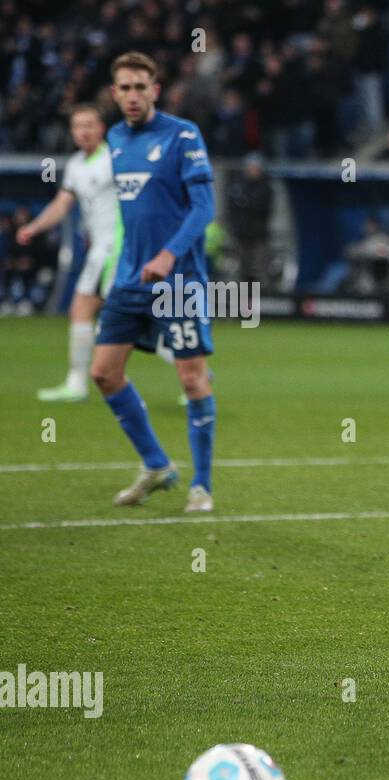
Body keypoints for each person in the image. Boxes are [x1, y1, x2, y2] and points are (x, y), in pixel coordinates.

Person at [90, 52, 218, 514]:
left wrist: (168, 254)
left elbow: (204, 207)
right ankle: (156, 465)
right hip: (130, 280)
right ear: (114, 92)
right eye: (123, 87)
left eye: (140, 87)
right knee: (103, 373)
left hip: (178, 281)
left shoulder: (183, 135)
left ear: (155, 90)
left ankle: (201, 485)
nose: (131, 95)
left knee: (191, 377)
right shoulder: (115, 139)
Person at [16, 105, 117, 401]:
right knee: (131, 316)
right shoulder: (75, 165)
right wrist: (34, 227)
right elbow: (62, 205)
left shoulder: (114, 160)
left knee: (84, 309)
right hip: (100, 248)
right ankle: (191, 367)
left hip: (114, 248)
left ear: (101, 128)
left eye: (89, 124)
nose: (83, 131)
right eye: (77, 126)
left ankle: (77, 383)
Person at [225, 152, 272, 285]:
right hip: (240, 232)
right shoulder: (238, 184)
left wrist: (245, 201)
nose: (252, 170)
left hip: (258, 234)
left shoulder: (266, 186)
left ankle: (264, 297)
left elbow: (260, 206)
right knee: (239, 270)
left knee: (259, 269)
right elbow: (232, 206)